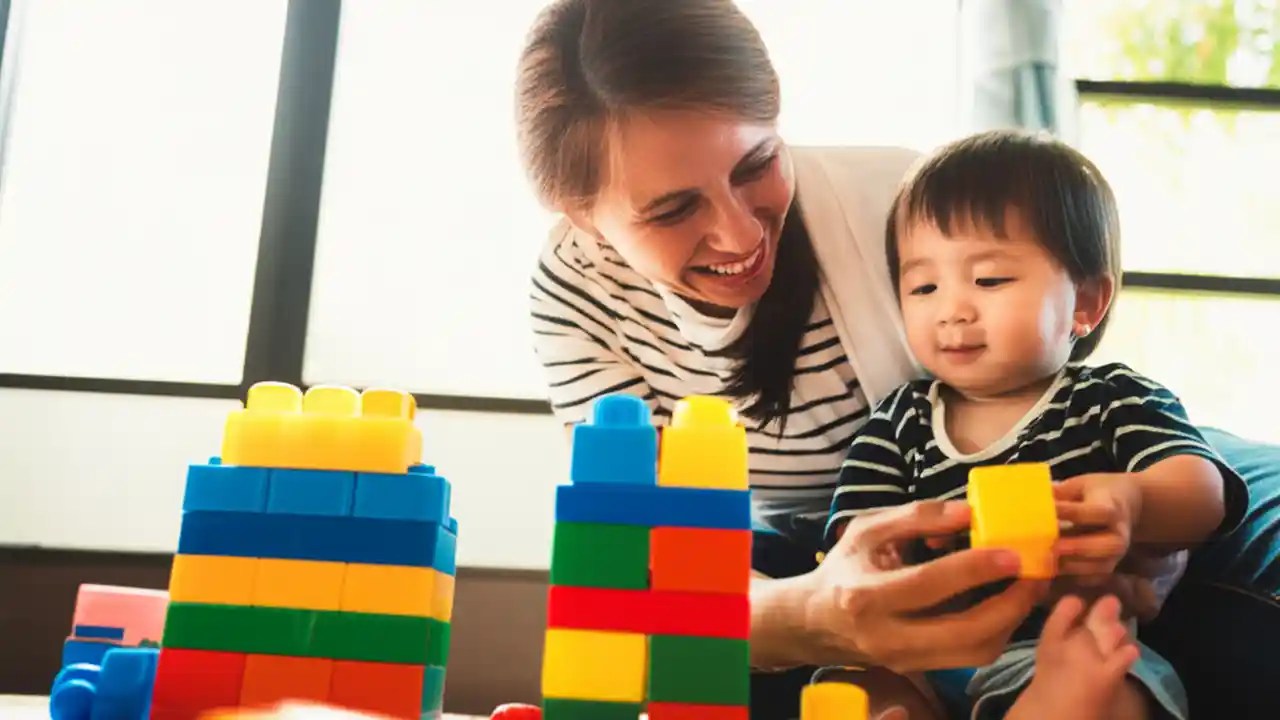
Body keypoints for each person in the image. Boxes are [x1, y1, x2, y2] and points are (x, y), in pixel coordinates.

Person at [512, 0, 1242, 716]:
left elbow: (1063, 371)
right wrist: (817, 607)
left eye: (757, 164)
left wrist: (1146, 512)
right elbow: (651, 551)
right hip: (823, 550)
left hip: (1069, 541)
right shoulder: (579, 295)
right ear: (582, 216)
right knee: (697, 633)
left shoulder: (909, 209)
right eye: (673, 210)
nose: (738, 236)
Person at [820, 130, 1249, 719]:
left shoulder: (1110, 398)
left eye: (989, 279)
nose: (953, 308)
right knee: (852, 678)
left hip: (1053, 642)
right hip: (918, 653)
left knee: (1110, 677)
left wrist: (1130, 501)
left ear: (1085, 304)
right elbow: (852, 542)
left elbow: (1203, 496)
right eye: (923, 286)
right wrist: (886, 561)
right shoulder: (900, 420)